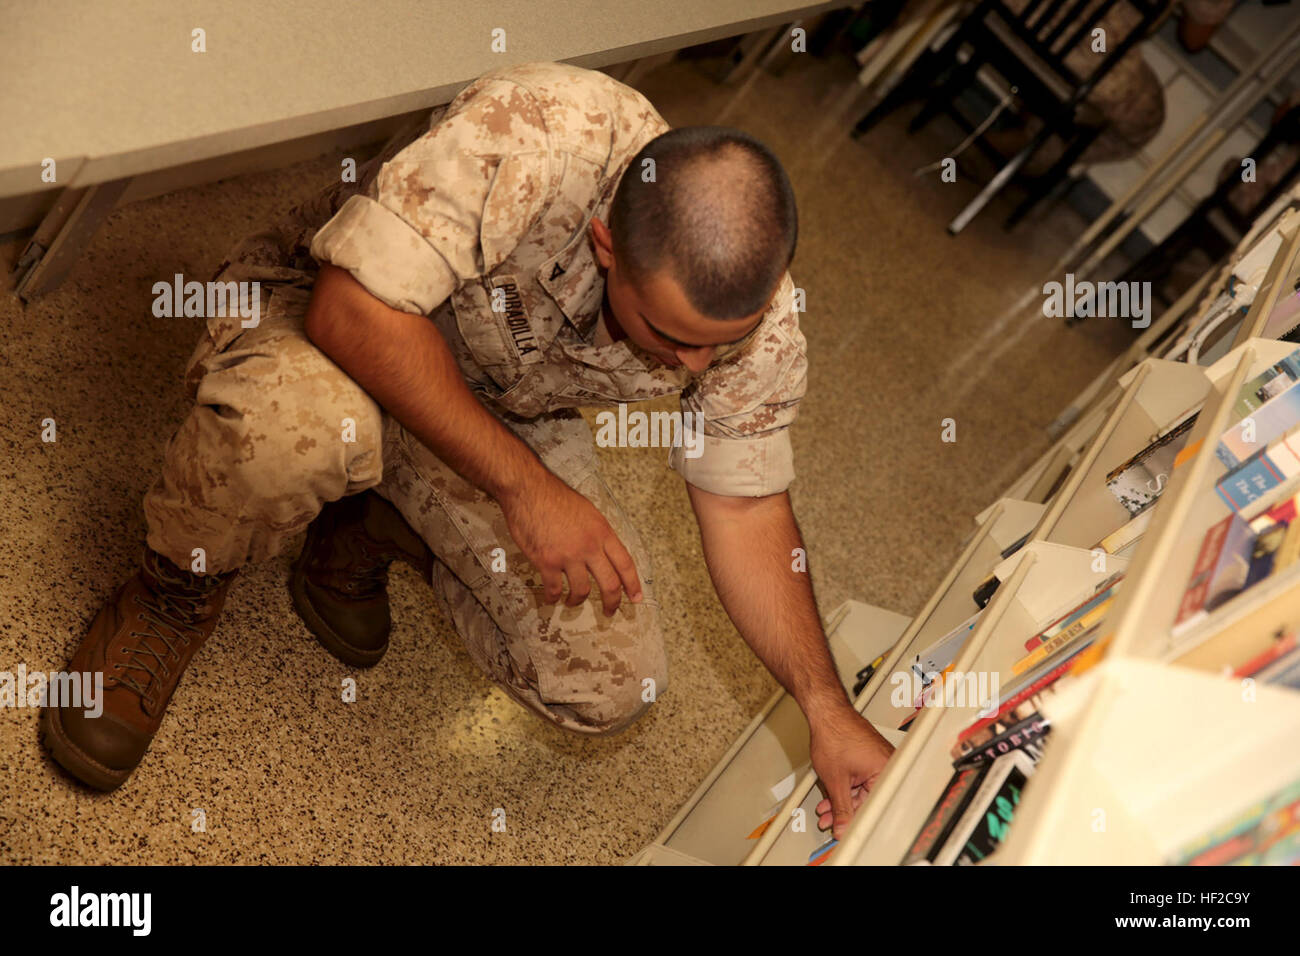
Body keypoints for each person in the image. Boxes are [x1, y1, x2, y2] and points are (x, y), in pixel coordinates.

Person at [41, 61, 893, 839]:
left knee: (608, 680)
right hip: (341, 323)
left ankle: (366, 524)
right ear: (605, 245)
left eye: (722, 345)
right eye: (671, 335)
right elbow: (350, 310)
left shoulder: (757, 318)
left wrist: (826, 707)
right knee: (283, 437)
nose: (695, 367)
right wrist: (524, 488)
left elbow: (744, 504)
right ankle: (171, 595)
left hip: (499, 408)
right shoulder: (538, 131)